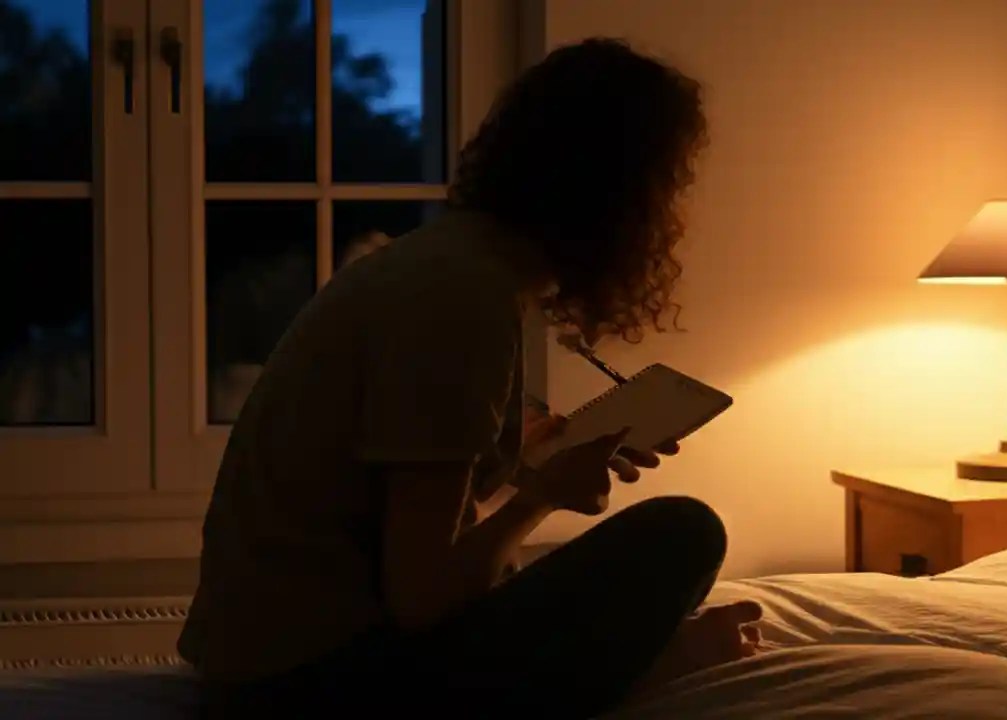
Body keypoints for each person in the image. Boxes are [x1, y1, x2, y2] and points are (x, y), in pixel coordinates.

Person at [179, 37, 763, 719]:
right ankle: (667, 663)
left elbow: (401, 514)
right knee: (683, 532)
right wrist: (539, 495)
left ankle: (654, 655)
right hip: (306, 687)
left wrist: (524, 458)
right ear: (619, 192)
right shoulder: (463, 298)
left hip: (266, 666)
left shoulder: (445, 264)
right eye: (671, 187)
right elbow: (423, 598)